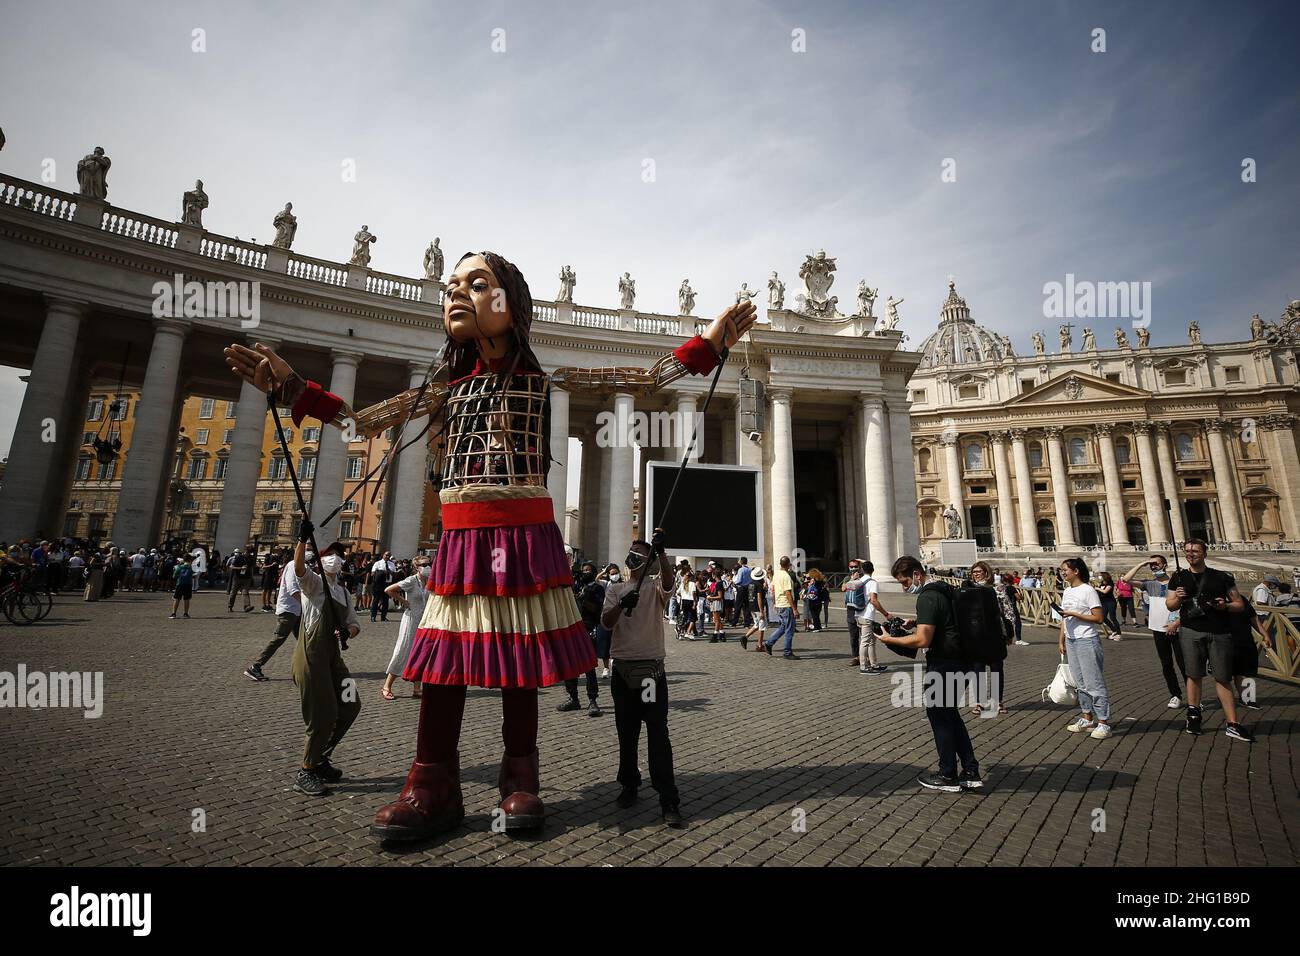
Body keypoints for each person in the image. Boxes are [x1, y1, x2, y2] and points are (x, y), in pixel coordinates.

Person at [226, 251, 756, 838]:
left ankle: (519, 776)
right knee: (446, 662)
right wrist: (293, 386)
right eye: (452, 286)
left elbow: (638, 378)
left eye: (478, 285)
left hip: (525, 532)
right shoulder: (445, 388)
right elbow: (361, 423)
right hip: (463, 535)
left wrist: (706, 346)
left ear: (512, 306)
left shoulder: (543, 378)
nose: (457, 294)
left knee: (518, 659)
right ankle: (431, 779)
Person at [601, 530, 683, 827]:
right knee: (627, 733)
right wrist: (623, 603)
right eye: (632, 551)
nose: (634, 556)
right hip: (622, 672)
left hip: (650, 674)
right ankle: (629, 784)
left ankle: (668, 798)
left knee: (658, 735)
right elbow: (606, 623)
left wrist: (661, 553)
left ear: (647, 562)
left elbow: (670, 582)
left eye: (641, 553)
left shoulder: (655, 587)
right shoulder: (615, 589)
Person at [881, 555, 982, 791]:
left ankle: (948, 775)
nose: (905, 587)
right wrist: (916, 622)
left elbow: (923, 639)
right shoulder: (945, 589)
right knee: (950, 715)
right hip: (963, 659)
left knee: (940, 718)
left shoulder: (927, 597)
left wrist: (890, 639)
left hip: (945, 662)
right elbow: (944, 622)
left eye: (905, 582)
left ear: (917, 574)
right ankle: (970, 770)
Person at [288, 521, 362, 796]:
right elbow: (298, 570)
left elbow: (355, 624)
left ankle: (321, 757)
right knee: (323, 714)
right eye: (331, 555)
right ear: (321, 560)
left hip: (332, 656)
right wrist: (301, 541)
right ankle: (306, 770)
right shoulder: (315, 584)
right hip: (311, 655)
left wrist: (347, 632)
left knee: (351, 703)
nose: (337, 559)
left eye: (340, 556)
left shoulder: (343, 592)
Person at [1167, 539, 1254, 742]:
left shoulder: (1222, 577)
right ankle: (1194, 715)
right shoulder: (1178, 577)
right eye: (1187, 551)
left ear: (1205, 553)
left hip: (1219, 631)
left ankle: (1233, 723)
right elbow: (1170, 605)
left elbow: (1239, 604)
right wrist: (1179, 598)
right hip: (1190, 630)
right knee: (1193, 675)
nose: (1191, 554)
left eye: (1195, 550)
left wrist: (1224, 605)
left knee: (1223, 677)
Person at [1057, 557, 1113, 740]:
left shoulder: (1088, 590)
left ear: (1076, 571)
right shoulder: (1067, 591)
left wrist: (1075, 614)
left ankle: (1104, 722)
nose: (1062, 572)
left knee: (1094, 683)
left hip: (1087, 640)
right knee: (1080, 683)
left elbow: (1098, 618)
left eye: (1065, 569)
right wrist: (1061, 640)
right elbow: (1065, 619)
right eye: (1061, 570)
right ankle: (1087, 718)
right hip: (1072, 641)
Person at [1122, 555, 1186, 709]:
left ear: (1165, 565)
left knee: (1184, 664)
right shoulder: (1149, 584)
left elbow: (1185, 605)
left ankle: (1194, 696)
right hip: (1158, 629)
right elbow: (1126, 579)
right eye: (1151, 565)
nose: (1154, 567)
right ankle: (1175, 694)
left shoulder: (1176, 583)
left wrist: (1176, 622)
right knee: (1166, 665)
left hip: (1177, 628)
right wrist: (1142, 562)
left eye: (1156, 564)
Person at [244, 550, 306, 682]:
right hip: (288, 609)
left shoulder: (302, 566)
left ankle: (310, 668)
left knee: (304, 639)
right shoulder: (292, 565)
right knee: (278, 639)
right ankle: (255, 666)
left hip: (297, 610)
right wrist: (307, 604)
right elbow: (292, 589)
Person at [557, 560, 604, 717]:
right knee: (570, 665)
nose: (585, 572)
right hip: (572, 630)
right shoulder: (576, 586)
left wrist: (585, 598)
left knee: (589, 667)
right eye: (583, 570)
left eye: (588, 570)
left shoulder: (597, 588)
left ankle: (592, 700)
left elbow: (598, 609)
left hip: (589, 629)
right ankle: (573, 697)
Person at [382, 557, 431, 701]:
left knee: (421, 653)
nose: (428, 566)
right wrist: (403, 601)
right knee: (403, 650)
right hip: (410, 620)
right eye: (424, 565)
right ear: (417, 567)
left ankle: (417, 688)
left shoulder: (429, 581)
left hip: (424, 621)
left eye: (429, 564)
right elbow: (389, 590)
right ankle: (387, 686)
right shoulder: (411, 580)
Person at [970, 560, 1012, 715]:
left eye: (978, 572)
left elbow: (1007, 610)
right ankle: (980, 702)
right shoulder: (969, 589)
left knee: (996, 669)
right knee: (977, 669)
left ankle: (997, 701)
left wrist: (1009, 633)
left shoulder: (997, 588)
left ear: (986, 573)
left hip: (995, 633)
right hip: (976, 634)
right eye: (974, 572)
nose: (976, 575)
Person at [847, 560, 888, 674]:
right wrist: (885, 613)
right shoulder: (872, 582)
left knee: (871, 641)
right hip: (867, 615)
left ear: (862, 570)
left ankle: (874, 664)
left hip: (858, 614)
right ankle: (864, 667)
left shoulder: (859, 580)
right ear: (873, 570)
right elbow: (874, 600)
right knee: (865, 641)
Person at [762, 555, 798, 659]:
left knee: (783, 627)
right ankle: (787, 652)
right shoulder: (786, 576)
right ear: (788, 565)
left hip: (779, 603)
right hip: (786, 605)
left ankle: (769, 643)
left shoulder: (776, 574)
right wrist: (794, 609)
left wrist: (774, 602)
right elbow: (788, 593)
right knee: (789, 629)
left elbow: (772, 588)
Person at [740, 566, 768, 650]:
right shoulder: (759, 584)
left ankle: (745, 637)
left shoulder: (751, 583)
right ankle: (759, 645)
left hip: (751, 606)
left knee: (756, 624)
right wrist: (762, 611)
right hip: (757, 607)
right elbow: (759, 598)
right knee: (761, 626)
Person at [369, 551, 396, 622]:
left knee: (385, 601)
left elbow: (394, 575)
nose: (387, 557)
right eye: (386, 555)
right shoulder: (377, 563)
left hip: (387, 584)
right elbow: (372, 574)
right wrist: (382, 572)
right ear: (383, 555)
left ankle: (383, 617)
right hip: (378, 584)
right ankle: (373, 616)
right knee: (376, 600)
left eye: (389, 555)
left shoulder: (392, 564)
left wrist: (390, 572)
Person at [1096, 571, 1123, 640]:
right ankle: (1114, 630)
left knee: (1113, 617)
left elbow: (1105, 591)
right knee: (1103, 617)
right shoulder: (1102, 583)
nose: (1100, 577)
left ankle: (1119, 634)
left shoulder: (1110, 583)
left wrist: (1097, 588)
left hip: (1110, 602)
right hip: (1104, 602)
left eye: (1101, 576)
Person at [227, 547, 254, 612]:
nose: (248, 554)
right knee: (233, 593)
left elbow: (251, 568)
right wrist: (240, 568)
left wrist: (252, 577)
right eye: (248, 552)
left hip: (247, 578)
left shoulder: (251, 558)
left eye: (250, 552)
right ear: (245, 551)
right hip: (237, 578)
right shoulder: (239, 557)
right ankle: (230, 606)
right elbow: (231, 566)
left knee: (245, 592)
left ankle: (247, 606)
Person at [731, 557, 753, 628]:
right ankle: (747, 623)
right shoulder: (749, 570)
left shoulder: (741, 570)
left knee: (738, 605)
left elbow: (739, 580)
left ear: (741, 562)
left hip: (741, 588)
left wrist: (734, 582)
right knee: (747, 606)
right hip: (748, 588)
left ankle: (734, 622)